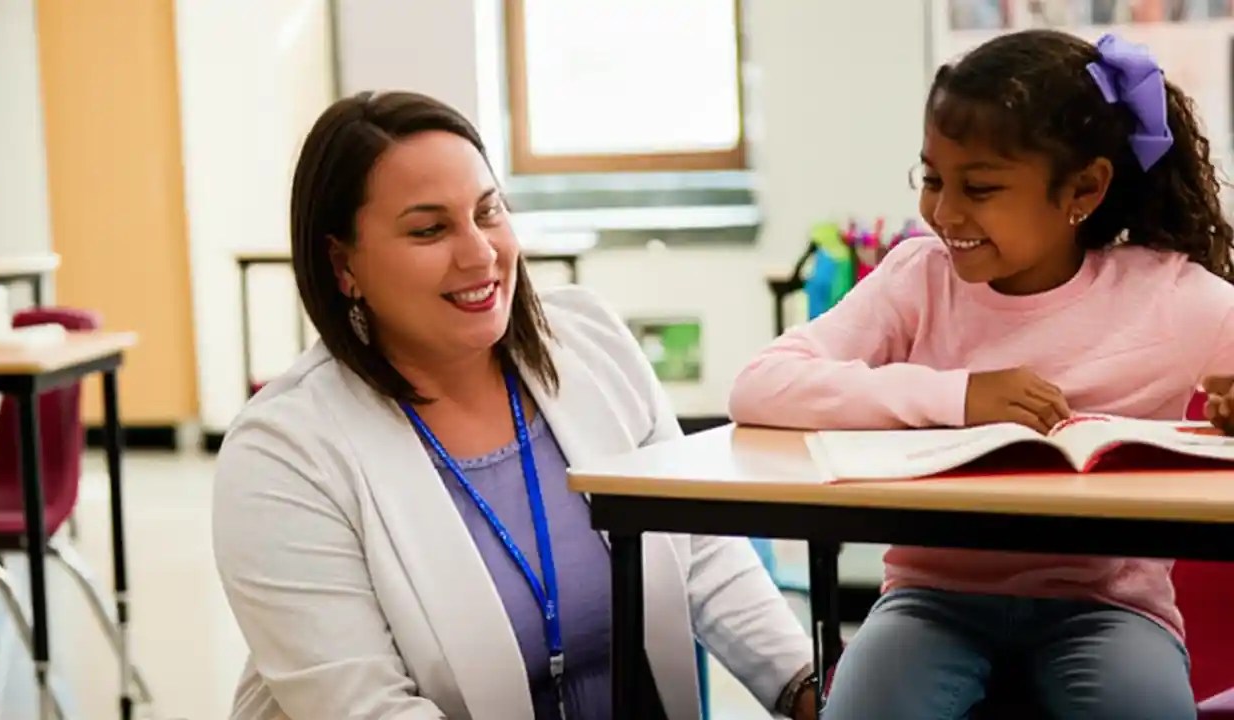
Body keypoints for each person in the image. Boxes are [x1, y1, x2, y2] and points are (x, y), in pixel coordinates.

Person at [211, 90, 818, 720]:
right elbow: (367, 708)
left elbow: (701, 550)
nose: (480, 253)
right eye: (429, 229)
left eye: (488, 211)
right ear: (343, 266)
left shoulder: (589, 343)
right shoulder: (283, 453)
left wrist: (807, 685)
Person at [729, 30, 1234, 720]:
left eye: (981, 187)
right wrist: (957, 395)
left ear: (1083, 188)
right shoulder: (919, 277)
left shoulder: (1170, 298)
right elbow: (761, 383)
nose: (945, 212)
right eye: (932, 178)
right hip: (932, 599)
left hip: (1106, 607)